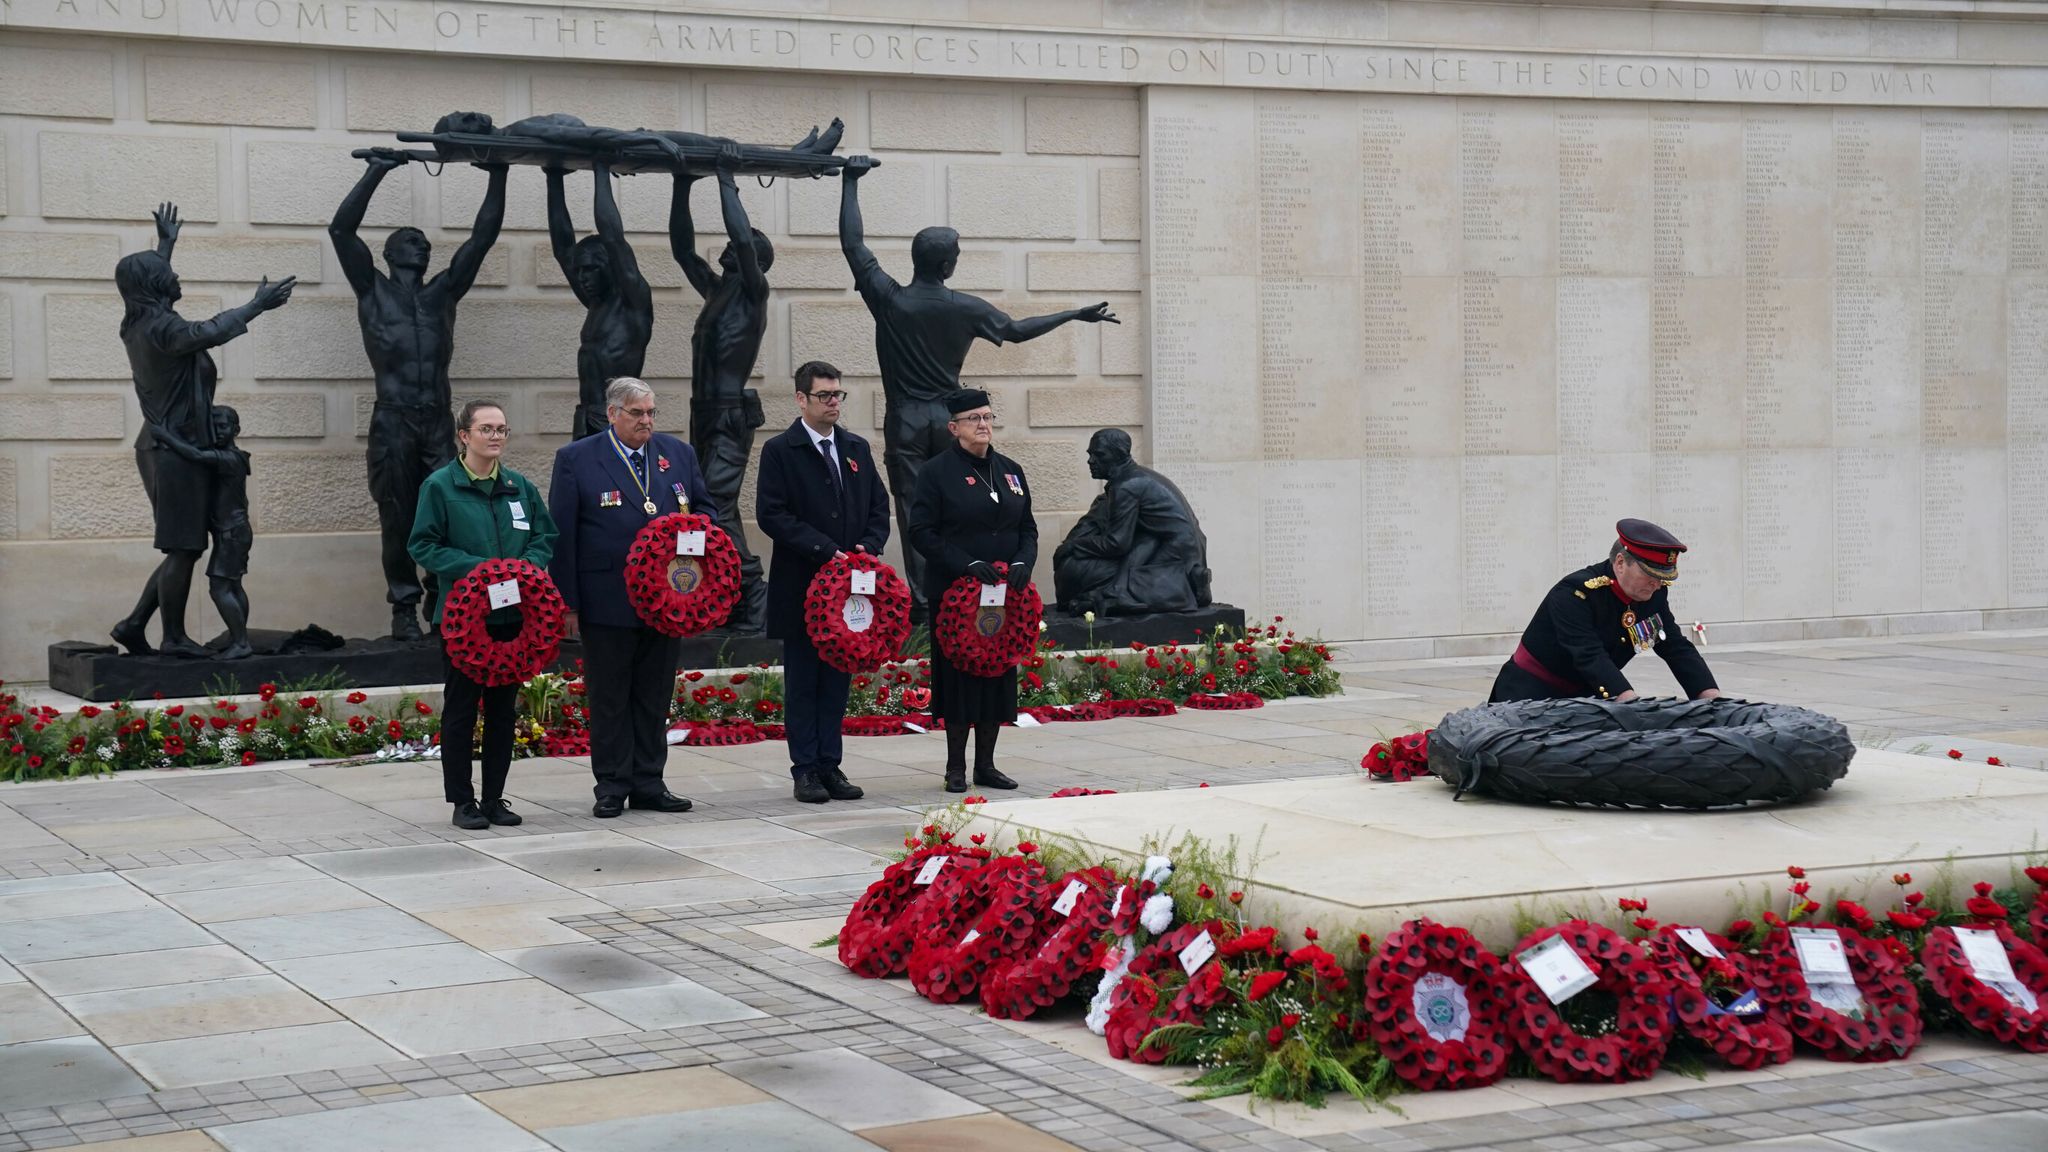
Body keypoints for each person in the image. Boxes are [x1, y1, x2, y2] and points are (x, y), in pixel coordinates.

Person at [839, 155, 1115, 616]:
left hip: (906, 418)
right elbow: (1018, 330)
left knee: (916, 512)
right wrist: (1073, 314)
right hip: (950, 419)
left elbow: (853, 244)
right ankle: (964, 597)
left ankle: (928, 603)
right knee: (965, 503)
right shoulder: (965, 308)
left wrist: (850, 181)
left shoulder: (890, 299)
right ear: (948, 265)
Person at [331, 151, 508, 640]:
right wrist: (378, 169)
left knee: (448, 513)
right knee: (398, 516)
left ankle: (442, 602)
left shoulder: (442, 294)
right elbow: (341, 230)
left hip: (436, 420)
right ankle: (403, 607)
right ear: (390, 254)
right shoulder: (371, 289)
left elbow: (482, 237)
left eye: (426, 243)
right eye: (412, 241)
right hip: (393, 420)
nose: (423, 246)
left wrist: (498, 172)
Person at [111, 202, 295, 658]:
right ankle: (172, 637)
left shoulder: (141, 321)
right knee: (183, 548)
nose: (176, 277)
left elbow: (150, 288)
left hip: (169, 447)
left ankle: (134, 625)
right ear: (156, 285)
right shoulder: (162, 328)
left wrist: (165, 247)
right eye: (167, 274)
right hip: (175, 451)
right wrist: (256, 306)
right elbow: (208, 331)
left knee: (184, 546)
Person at [548, 378, 711, 818]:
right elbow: (562, 534)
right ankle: (612, 785)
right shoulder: (577, 459)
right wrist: (568, 603)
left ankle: (649, 782)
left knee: (654, 695)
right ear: (612, 414)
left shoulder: (678, 454)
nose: (647, 421)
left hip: (667, 600)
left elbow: (705, 510)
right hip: (607, 598)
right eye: (637, 413)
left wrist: (696, 536)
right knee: (610, 697)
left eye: (651, 412)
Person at [409, 400, 558, 830]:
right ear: (464, 436)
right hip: (463, 621)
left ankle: (494, 798)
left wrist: (526, 566)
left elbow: (545, 535)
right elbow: (423, 545)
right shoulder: (440, 486)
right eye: (486, 429)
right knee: (460, 710)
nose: (496, 436)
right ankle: (462, 801)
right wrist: (480, 570)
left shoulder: (518, 486)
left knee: (502, 712)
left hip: (512, 618)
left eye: (501, 429)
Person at [756, 361, 891, 803]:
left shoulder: (855, 447)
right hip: (803, 586)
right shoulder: (781, 450)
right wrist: (823, 548)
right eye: (824, 395)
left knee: (836, 681)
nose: (833, 402)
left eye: (838, 395)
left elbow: (878, 505)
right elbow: (772, 514)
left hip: (851, 589)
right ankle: (806, 770)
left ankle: (830, 765)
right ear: (801, 399)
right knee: (803, 683)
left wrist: (869, 546)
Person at [907, 389, 1037, 793]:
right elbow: (921, 532)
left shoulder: (1010, 470)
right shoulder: (936, 472)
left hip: (1002, 597)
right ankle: (955, 768)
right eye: (973, 419)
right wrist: (965, 564)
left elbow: (1027, 528)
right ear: (954, 427)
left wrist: (1022, 563)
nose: (983, 424)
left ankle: (986, 765)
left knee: (997, 676)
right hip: (956, 596)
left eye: (987, 417)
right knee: (960, 680)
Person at [672, 143, 772, 633]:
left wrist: (725, 176)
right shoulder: (716, 291)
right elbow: (681, 249)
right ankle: (731, 592)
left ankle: (752, 591)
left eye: (739, 245)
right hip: (704, 412)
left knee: (716, 503)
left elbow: (744, 240)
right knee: (702, 503)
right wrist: (682, 184)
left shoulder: (754, 291)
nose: (729, 247)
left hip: (730, 413)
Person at [1489, 518, 1723, 703]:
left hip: (1588, 695)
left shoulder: (1653, 595)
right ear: (1620, 563)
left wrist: (1711, 697)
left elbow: (1673, 646)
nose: (1657, 584)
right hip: (1530, 693)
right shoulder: (1576, 593)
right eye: (1650, 575)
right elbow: (1589, 655)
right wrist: (1628, 700)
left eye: (1662, 578)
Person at [1053, 428, 1214, 616]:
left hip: (1176, 552)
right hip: (1181, 546)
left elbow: (1116, 543)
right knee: (1138, 547)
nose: (1091, 461)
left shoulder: (1126, 486)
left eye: (1099, 455)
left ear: (1118, 455)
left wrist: (1074, 545)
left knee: (1096, 576)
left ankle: (1179, 584)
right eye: (1090, 454)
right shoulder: (1136, 476)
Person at [547, 159, 654, 440]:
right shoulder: (597, 303)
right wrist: (553, 177)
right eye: (580, 271)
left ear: (609, 267)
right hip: (588, 414)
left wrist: (601, 170)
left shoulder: (633, 300)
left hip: (620, 418)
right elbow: (562, 248)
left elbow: (613, 238)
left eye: (590, 269)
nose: (582, 277)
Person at [147, 406, 254, 660]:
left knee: (219, 588)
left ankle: (241, 643)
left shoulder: (230, 458)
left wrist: (164, 435)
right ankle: (238, 638)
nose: (218, 432)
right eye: (213, 427)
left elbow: (194, 454)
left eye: (223, 426)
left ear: (236, 430)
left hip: (231, 534)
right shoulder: (232, 456)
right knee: (233, 585)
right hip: (233, 532)